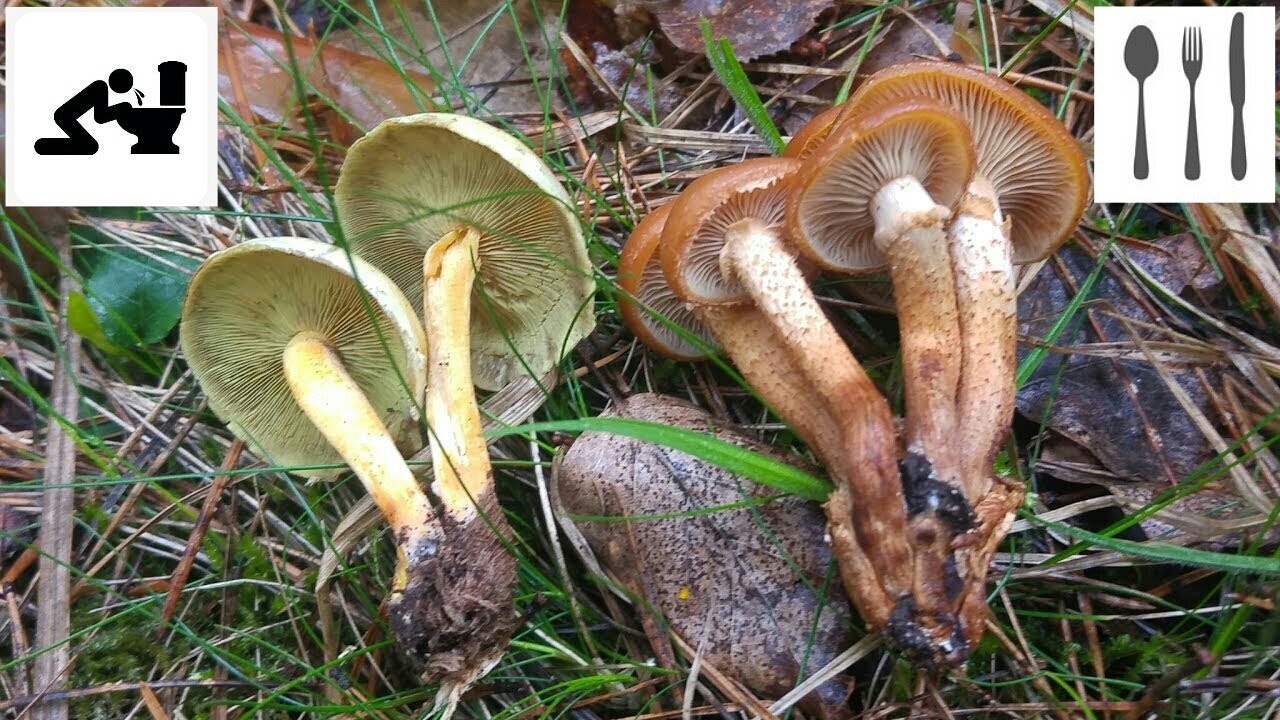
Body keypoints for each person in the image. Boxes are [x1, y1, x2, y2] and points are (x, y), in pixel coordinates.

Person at [34, 69, 135, 155]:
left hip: (64, 116)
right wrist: (123, 107)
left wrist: (122, 108)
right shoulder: (100, 87)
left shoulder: (100, 87)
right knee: (91, 146)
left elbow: (100, 117)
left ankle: (42, 146)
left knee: (90, 146)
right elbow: (100, 117)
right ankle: (42, 146)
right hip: (64, 117)